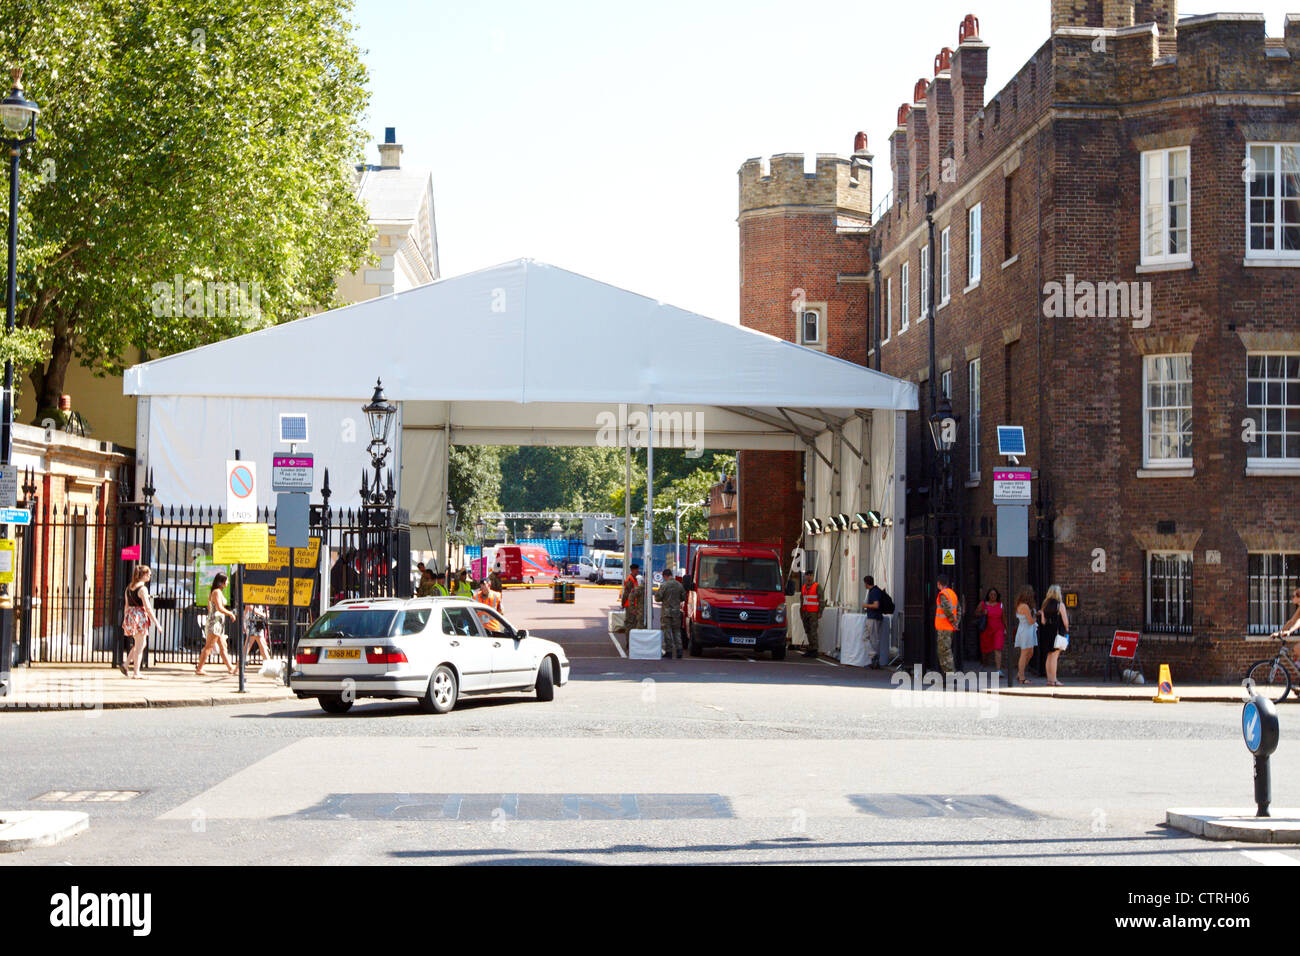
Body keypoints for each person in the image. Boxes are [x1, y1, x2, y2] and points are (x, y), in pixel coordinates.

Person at [121, 565, 161, 679]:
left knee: (140, 643)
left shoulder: (129, 587)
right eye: (148, 573)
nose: (149, 575)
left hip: (131, 616)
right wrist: (157, 623)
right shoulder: (142, 589)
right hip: (139, 617)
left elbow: (126, 605)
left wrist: (125, 619)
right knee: (140, 646)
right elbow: (148, 608)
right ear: (142, 575)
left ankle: (126, 664)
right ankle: (136, 672)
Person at [197, 572, 237, 675]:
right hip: (215, 623)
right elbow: (219, 607)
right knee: (209, 646)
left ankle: (230, 668)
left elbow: (209, 607)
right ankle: (199, 668)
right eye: (226, 580)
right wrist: (230, 613)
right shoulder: (217, 592)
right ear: (222, 582)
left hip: (217, 622)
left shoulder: (216, 592)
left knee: (223, 646)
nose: (228, 582)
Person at [1038, 584, 1070, 687]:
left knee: (1049, 656)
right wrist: (1067, 629)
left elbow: (1043, 621)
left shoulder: (1044, 604)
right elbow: (1065, 622)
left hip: (1046, 632)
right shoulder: (1060, 605)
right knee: (1055, 656)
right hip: (1057, 632)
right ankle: (1055, 680)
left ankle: (1049, 679)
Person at [655, 566, 686, 659]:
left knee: (667, 631)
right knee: (677, 631)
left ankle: (669, 651)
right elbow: (684, 598)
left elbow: (657, 598)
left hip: (667, 613)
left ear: (665, 576)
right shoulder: (679, 585)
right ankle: (679, 651)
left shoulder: (664, 585)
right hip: (676, 612)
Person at [934, 573, 960, 677]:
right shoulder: (952, 594)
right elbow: (959, 609)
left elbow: (947, 610)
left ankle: (949, 675)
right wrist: (956, 622)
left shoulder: (943, 595)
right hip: (948, 628)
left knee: (944, 653)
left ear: (939, 584)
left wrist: (954, 623)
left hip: (944, 628)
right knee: (946, 651)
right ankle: (949, 674)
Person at [976, 587, 1007, 673]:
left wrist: (1006, 628)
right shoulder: (983, 604)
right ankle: (983, 664)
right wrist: (983, 613)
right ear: (988, 595)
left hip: (998, 629)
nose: (993, 596)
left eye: (995, 595)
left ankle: (998, 670)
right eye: (991, 594)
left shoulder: (1000, 605)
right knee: (985, 650)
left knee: (998, 648)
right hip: (987, 630)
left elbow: (1004, 617)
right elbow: (976, 613)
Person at [1012, 587, 1038, 686]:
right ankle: (1022, 677)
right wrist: (1036, 617)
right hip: (1026, 630)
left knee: (1030, 652)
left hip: (1027, 630)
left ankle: (1020, 673)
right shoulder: (1024, 606)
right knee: (1024, 653)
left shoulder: (1023, 605)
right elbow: (1031, 621)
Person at [862, 575, 884, 669]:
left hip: (873, 618)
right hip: (873, 617)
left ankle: (874, 659)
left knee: (872, 639)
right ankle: (874, 657)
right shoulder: (875, 590)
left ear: (866, 583)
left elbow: (876, 605)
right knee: (866, 637)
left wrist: (866, 605)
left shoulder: (874, 592)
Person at [800, 572, 821, 658]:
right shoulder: (804, 587)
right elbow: (802, 600)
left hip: (813, 612)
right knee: (807, 630)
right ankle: (811, 648)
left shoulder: (817, 586)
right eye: (807, 575)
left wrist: (820, 611)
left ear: (812, 577)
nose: (808, 577)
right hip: (805, 612)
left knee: (813, 631)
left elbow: (821, 599)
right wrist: (801, 612)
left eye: (810, 576)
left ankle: (814, 649)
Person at [621, 563, 645, 632]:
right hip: (630, 605)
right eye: (636, 570)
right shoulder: (630, 580)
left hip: (634, 605)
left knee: (634, 624)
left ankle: (632, 641)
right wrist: (623, 604)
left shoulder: (635, 579)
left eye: (638, 569)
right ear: (632, 570)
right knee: (630, 624)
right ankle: (629, 642)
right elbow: (626, 594)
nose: (637, 571)